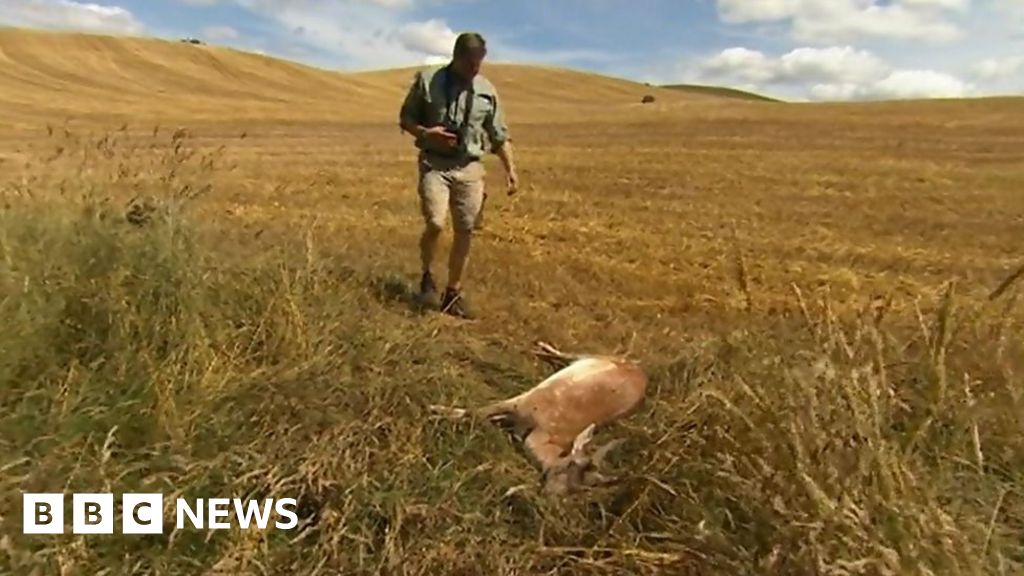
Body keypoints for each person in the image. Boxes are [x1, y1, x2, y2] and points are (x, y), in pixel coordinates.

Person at [398, 31, 519, 319]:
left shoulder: (487, 91)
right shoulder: (428, 82)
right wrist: (427, 133)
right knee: (436, 223)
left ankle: (452, 293)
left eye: (479, 63)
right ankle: (427, 274)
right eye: (470, 63)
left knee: (465, 230)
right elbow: (406, 118)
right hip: (434, 164)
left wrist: (511, 170)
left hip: (470, 168)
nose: (475, 69)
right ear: (456, 57)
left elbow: (499, 135)